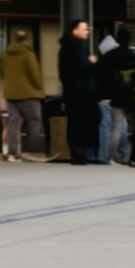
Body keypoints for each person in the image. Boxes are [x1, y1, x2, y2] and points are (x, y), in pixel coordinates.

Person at [0, 27, 52, 160]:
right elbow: (35, 74)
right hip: (29, 94)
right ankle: (32, 150)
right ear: (27, 40)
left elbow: (1, 72)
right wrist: (40, 89)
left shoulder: (6, 55)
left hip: (11, 95)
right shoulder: (28, 54)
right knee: (35, 120)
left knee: (13, 123)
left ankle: (12, 152)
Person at [57, 19, 102, 164]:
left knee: (74, 122)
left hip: (71, 91)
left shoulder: (64, 48)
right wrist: (93, 62)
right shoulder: (79, 46)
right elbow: (85, 67)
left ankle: (75, 152)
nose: (87, 32)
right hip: (84, 92)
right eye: (84, 29)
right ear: (74, 31)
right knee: (83, 122)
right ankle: (82, 152)